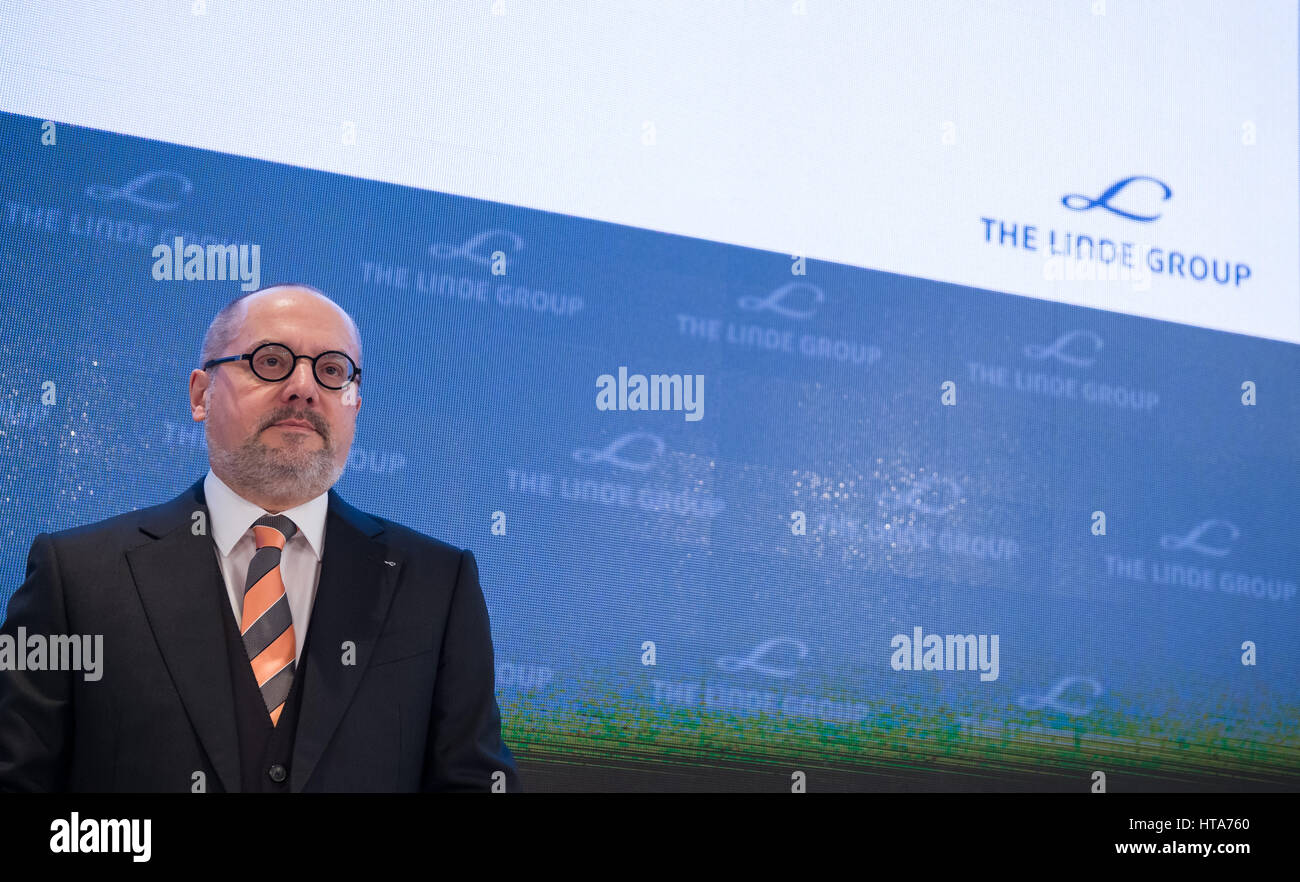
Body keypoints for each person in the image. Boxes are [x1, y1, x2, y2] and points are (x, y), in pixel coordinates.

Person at [0, 283, 520, 792]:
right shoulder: (77, 577)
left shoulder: (436, 585)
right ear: (201, 394)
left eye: (332, 371)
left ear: (354, 408)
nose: (303, 387)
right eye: (271, 362)